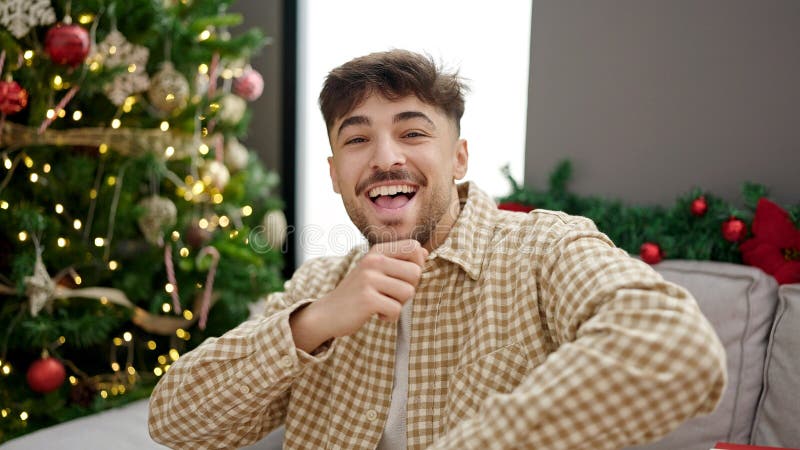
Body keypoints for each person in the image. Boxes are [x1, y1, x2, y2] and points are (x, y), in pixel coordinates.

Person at [148, 49, 726, 450]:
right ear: (334, 173)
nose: (385, 158)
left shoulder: (545, 248)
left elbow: (676, 347)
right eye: (357, 138)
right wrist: (314, 322)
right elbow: (174, 421)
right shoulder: (318, 287)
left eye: (413, 132)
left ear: (459, 158)